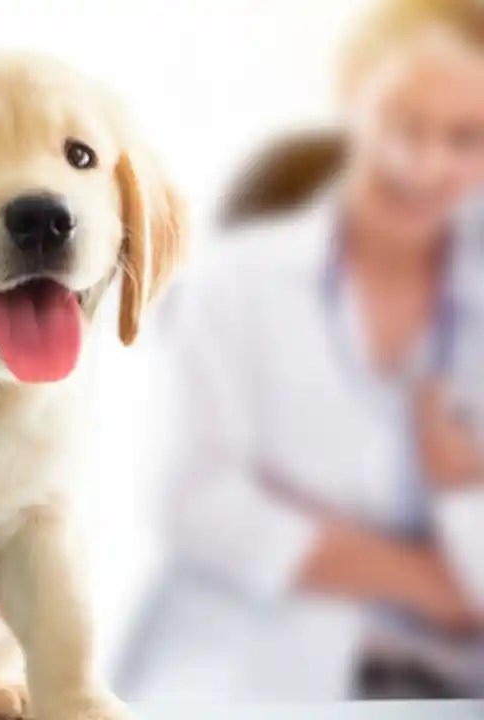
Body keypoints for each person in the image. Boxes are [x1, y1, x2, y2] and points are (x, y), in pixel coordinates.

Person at [116, 0, 484, 703]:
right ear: (353, 93)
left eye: (466, 138)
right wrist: (432, 579)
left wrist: (461, 491)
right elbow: (195, 503)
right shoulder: (236, 287)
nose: (426, 164)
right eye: (405, 126)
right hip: (248, 676)